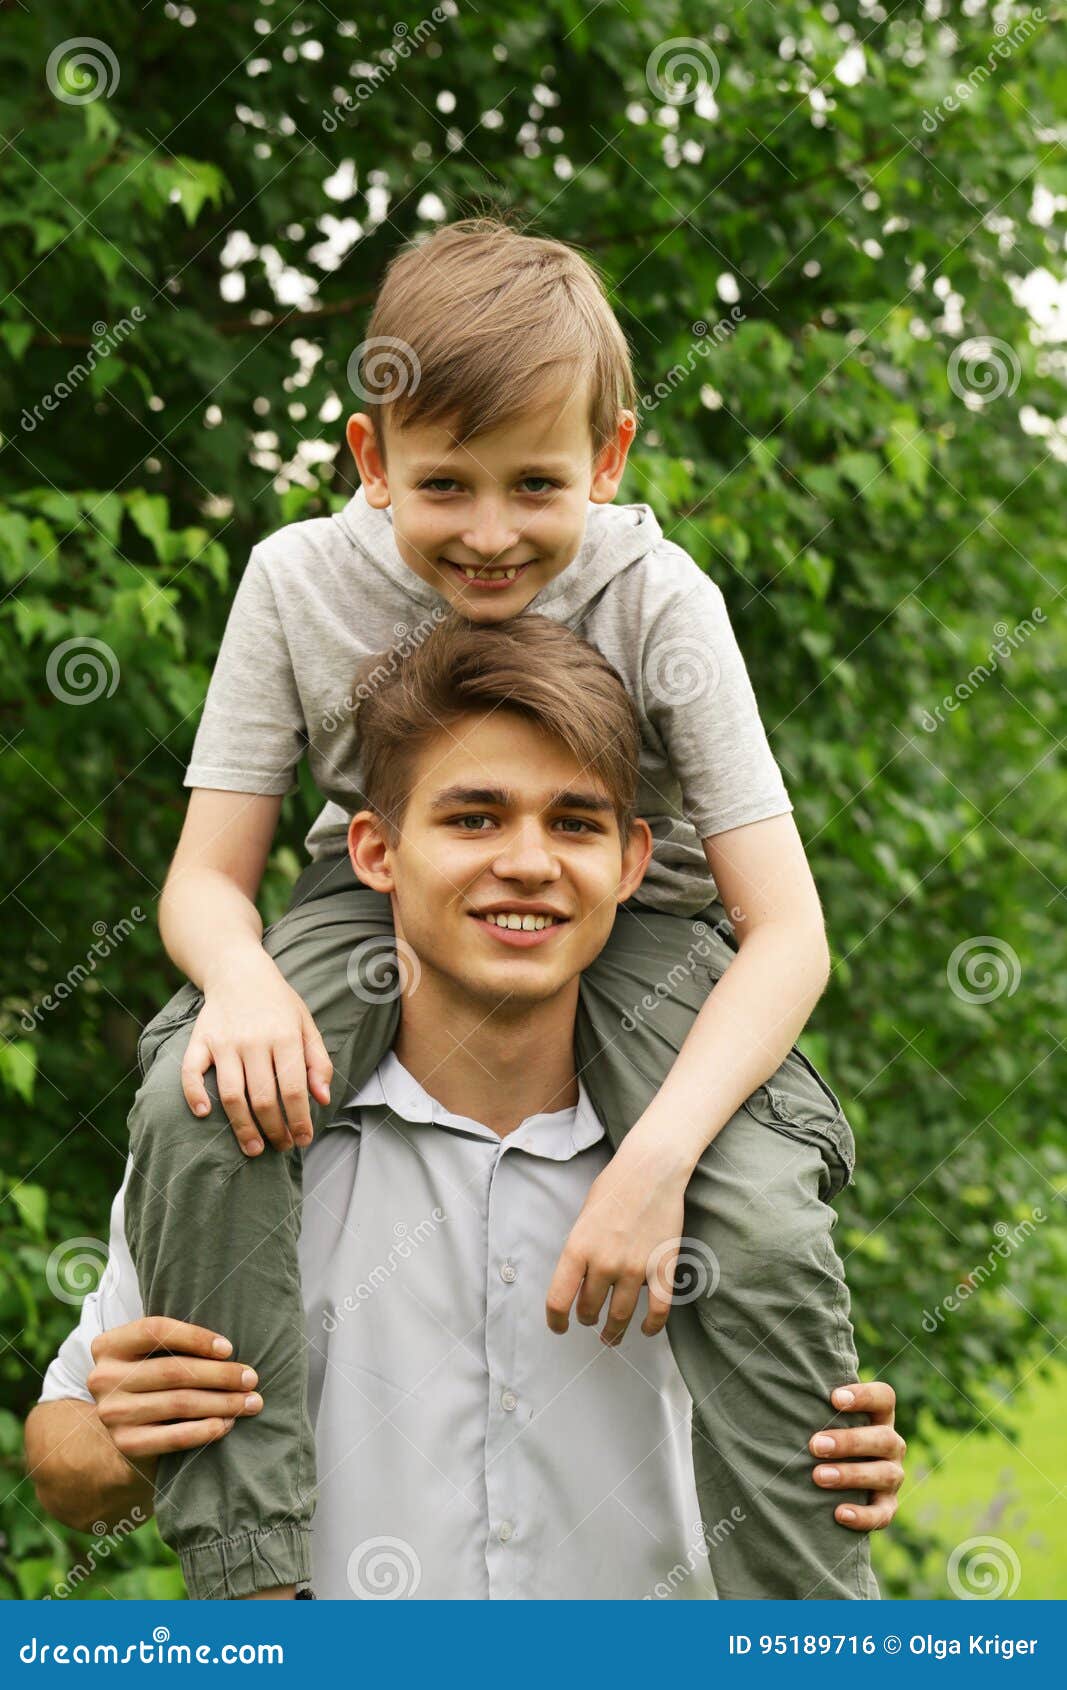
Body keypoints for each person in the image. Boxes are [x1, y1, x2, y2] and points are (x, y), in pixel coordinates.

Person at [114, 214, 883, 1600]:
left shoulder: (657, 594)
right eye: (442, 485)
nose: (486, 534)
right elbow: (201, 880)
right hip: (380, 894)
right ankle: (254, 1580)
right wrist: (238, 985)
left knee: (760, 1226)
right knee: (196, 1102)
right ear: (370, 459)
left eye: (534, 485)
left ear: (607, 457)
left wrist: (657, 1163)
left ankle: (804, 1625)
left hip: (640, 916)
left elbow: (789, 930)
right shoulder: (296, 580)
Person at [27, 616, 905, 1599]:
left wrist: (832, 1450)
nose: (528, 861)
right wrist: (118, 1442)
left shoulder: (724, 1163)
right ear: (374, 851)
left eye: (573, 822)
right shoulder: (244, 1126)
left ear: (628, 860)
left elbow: (813, 1440)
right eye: (472, 818)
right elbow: (64, 1454)